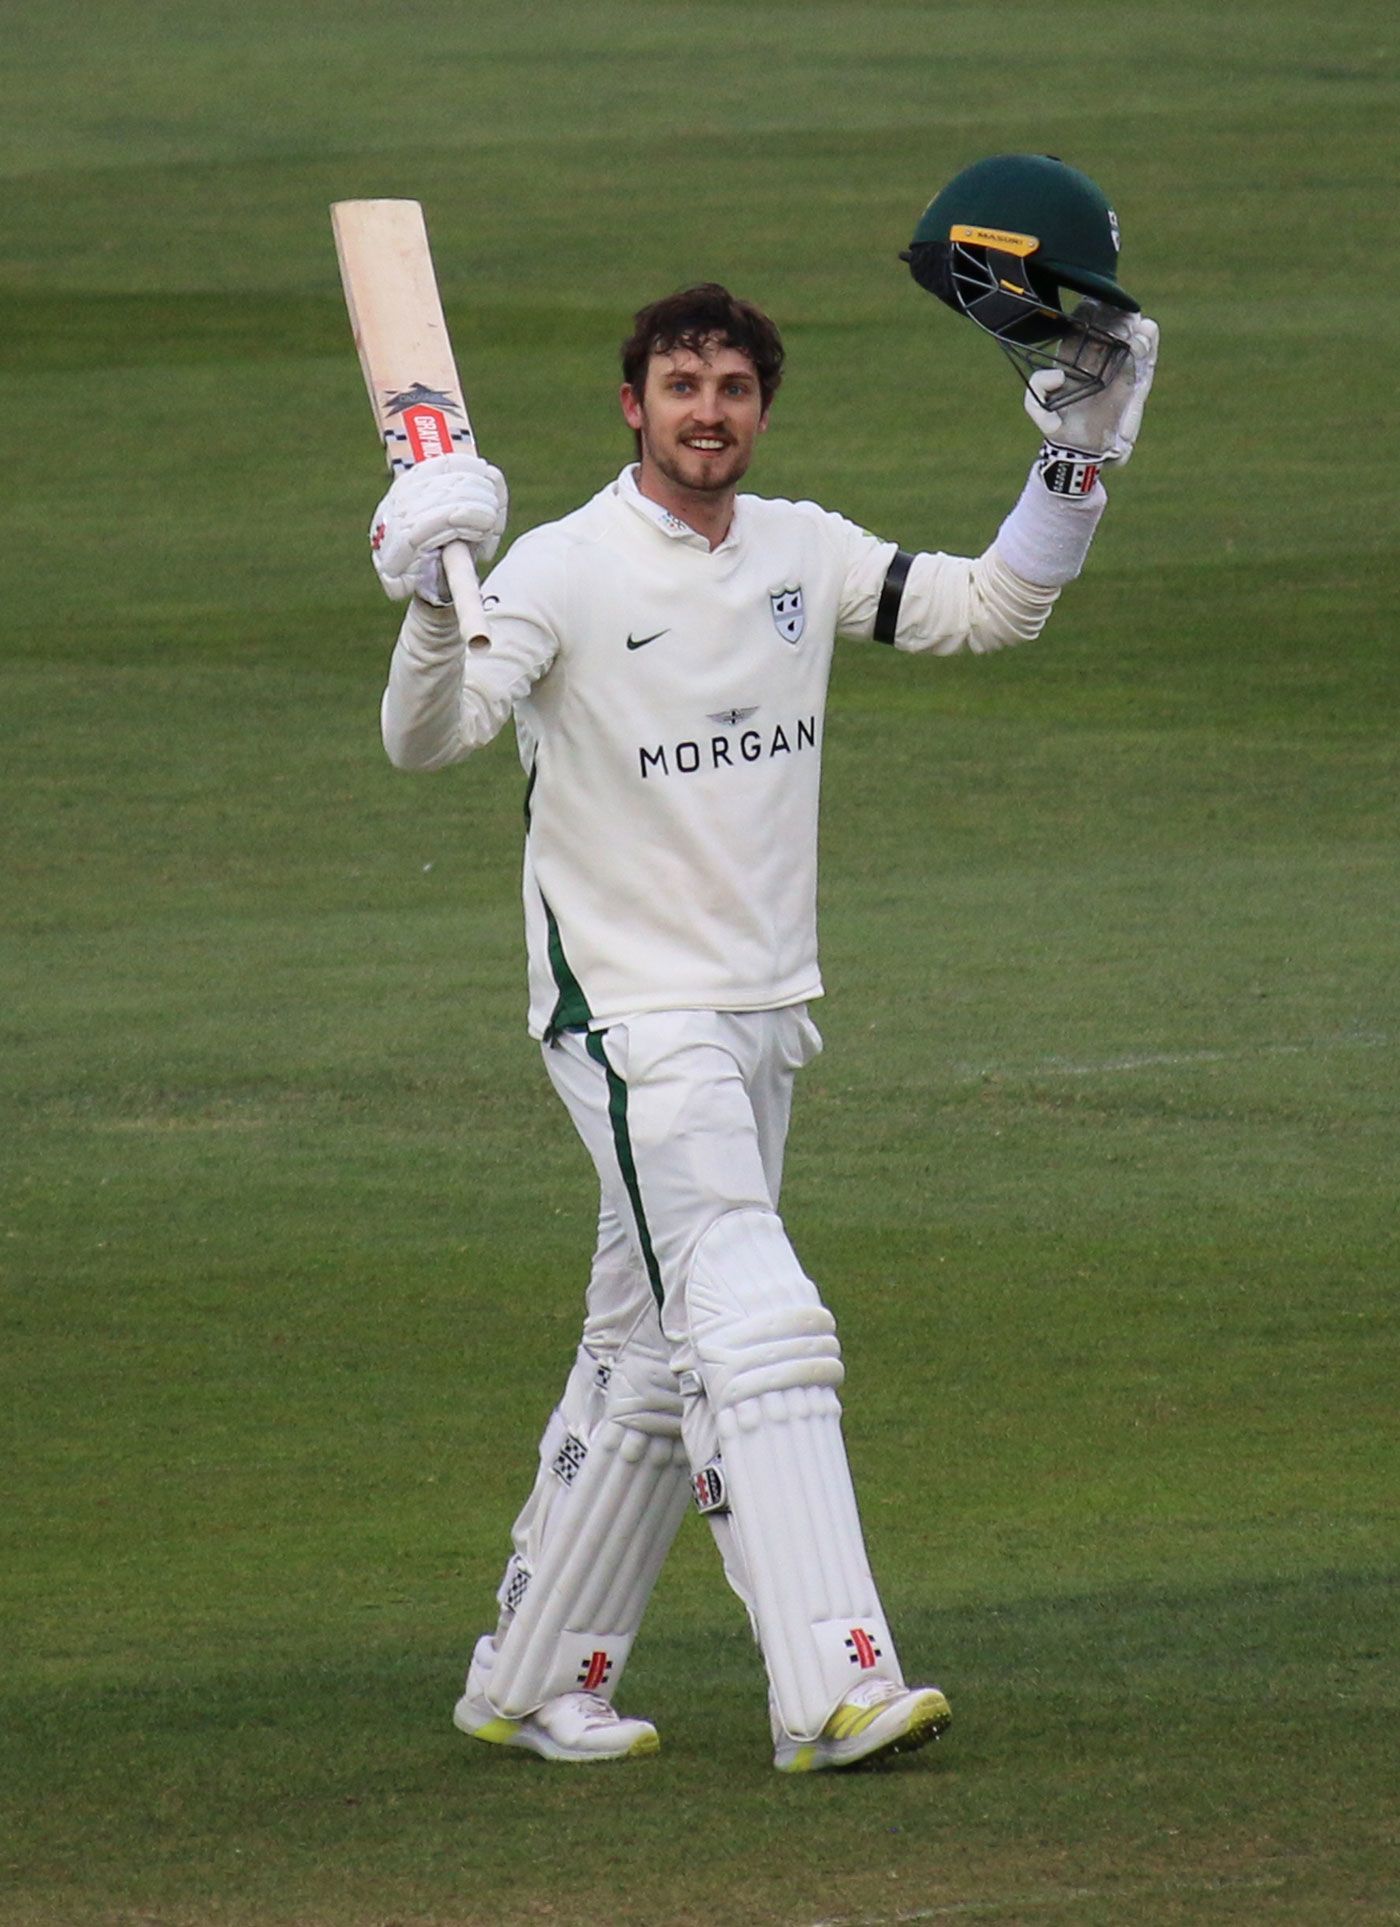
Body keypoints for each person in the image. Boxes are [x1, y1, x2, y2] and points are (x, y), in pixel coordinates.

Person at [370, 276, 1157, 1771]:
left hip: (762, 1015)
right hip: (632, 1023)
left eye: (733, 388)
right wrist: (427, 601)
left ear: (760, 409)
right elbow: (434, 738)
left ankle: (531, 1676)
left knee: (657, 1349)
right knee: (759, 1321)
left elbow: (993, 609)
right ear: (634, 407)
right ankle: (836, 1682)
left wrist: (1084, 452)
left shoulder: (803, 547)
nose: (708, 412)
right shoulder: (558, 567)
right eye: (681, 386)